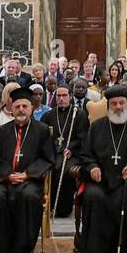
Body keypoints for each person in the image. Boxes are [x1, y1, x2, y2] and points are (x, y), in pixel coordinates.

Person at [70, 85, 127, 253]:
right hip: (101, 180)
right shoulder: (97, 127)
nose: (118, 107)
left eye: (121, 103)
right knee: (93, 195)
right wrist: (92, 167)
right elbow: (85, 153)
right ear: (108, 106)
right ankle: (96, 251)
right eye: (114, 104)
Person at [0, 86, 55, 253]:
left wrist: (28, 174)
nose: (21, 109)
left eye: (25, 106)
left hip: (29, 180)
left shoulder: (42, 130)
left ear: (31, 109)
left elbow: (48, 158)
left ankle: (26, 249)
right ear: (11, 109)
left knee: (29, 196)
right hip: (3, 179)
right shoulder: (1, 131)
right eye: (17, 106)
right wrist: (8, 175)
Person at [45, 84, 85, 218]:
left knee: (64, 168)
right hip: (53, 152)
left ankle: (64, 208)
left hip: (72, 154)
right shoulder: (50, 114)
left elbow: (83, 137)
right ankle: (50, 204)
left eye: (64, 96)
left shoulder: (78, 114)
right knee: (52, 167)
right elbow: (44, 137)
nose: (61, 99)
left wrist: (71, 149)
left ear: (70, 96)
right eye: (58, 96)